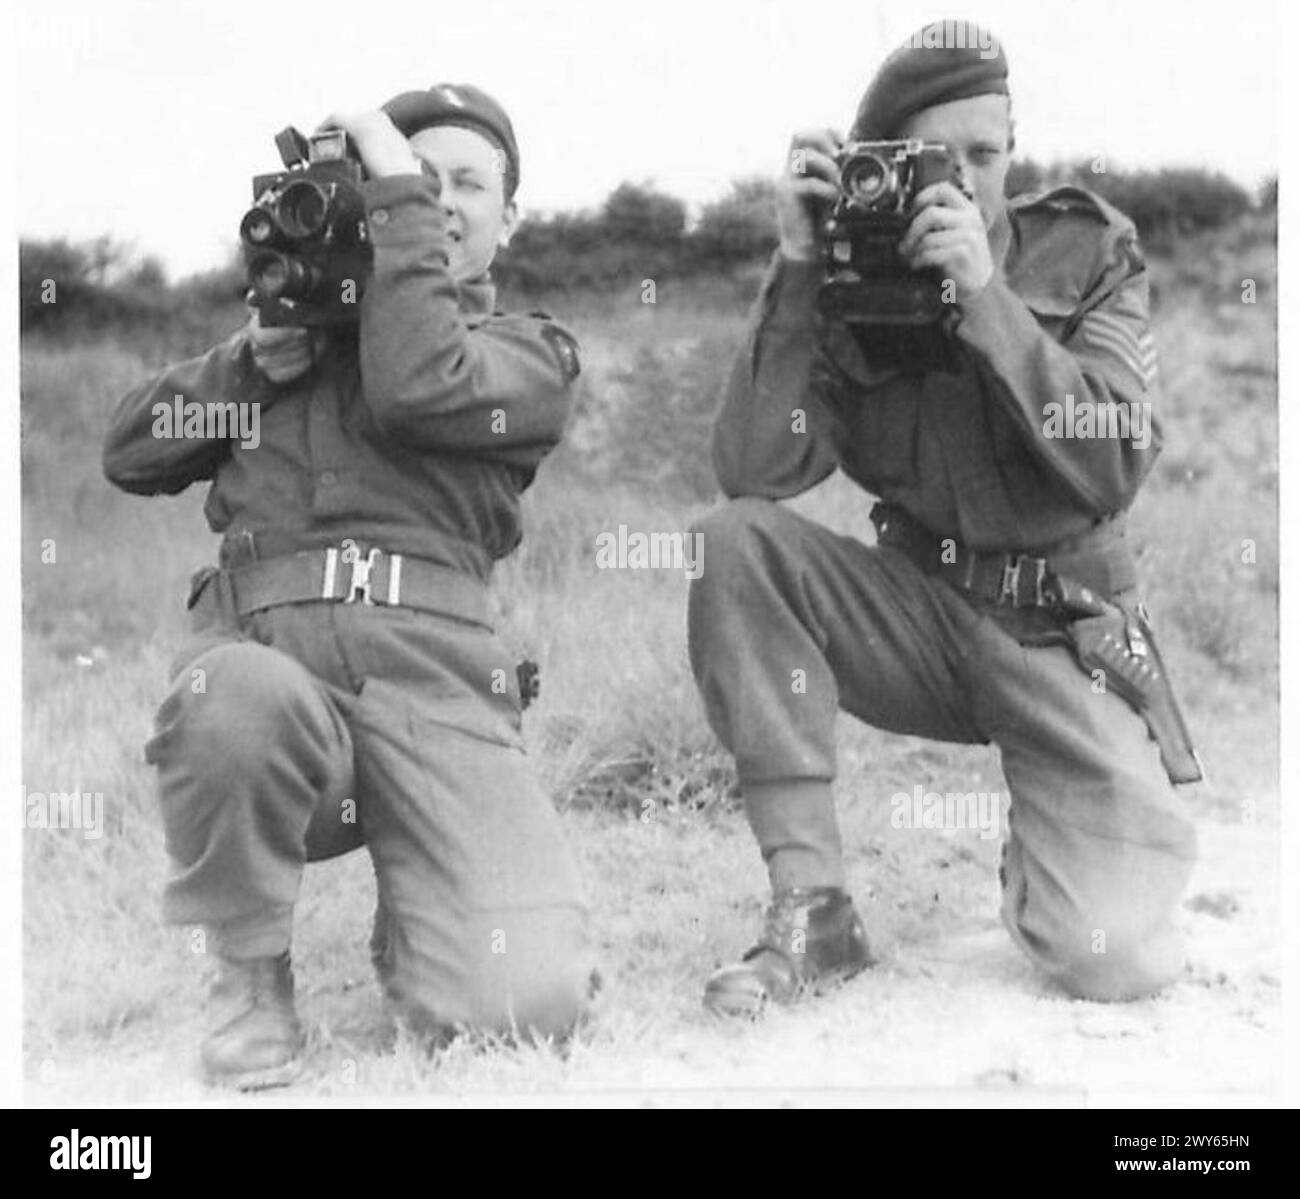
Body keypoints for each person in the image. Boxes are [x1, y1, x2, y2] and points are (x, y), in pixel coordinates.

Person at [688, 22, 1198, 1017]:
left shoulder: (1087, 248)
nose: (964, 181)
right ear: (882, 161)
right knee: (734, 540)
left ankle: (1062, 823)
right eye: (934, 159)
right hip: (919, 614)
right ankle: (814, 908)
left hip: (1062, 633)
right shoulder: (841, 276)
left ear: (1014, 148)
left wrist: (987, 298)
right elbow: (755, 466)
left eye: (985, 155)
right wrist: (795, 271)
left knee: (1115, 957)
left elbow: (1116, 455)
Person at [103, 83, 594, 1089]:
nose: (441, 200)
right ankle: (247, 972)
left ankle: (430, 901)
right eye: (419, 181)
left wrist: (396, 193)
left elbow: (421, 382)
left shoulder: (529, 355)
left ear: (511, 218)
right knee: (225, 694)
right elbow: (129, 450)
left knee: (522, 1003)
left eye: (466, 183)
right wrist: (249, 366)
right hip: (277, 691)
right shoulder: (281, 351)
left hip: (438, 693)